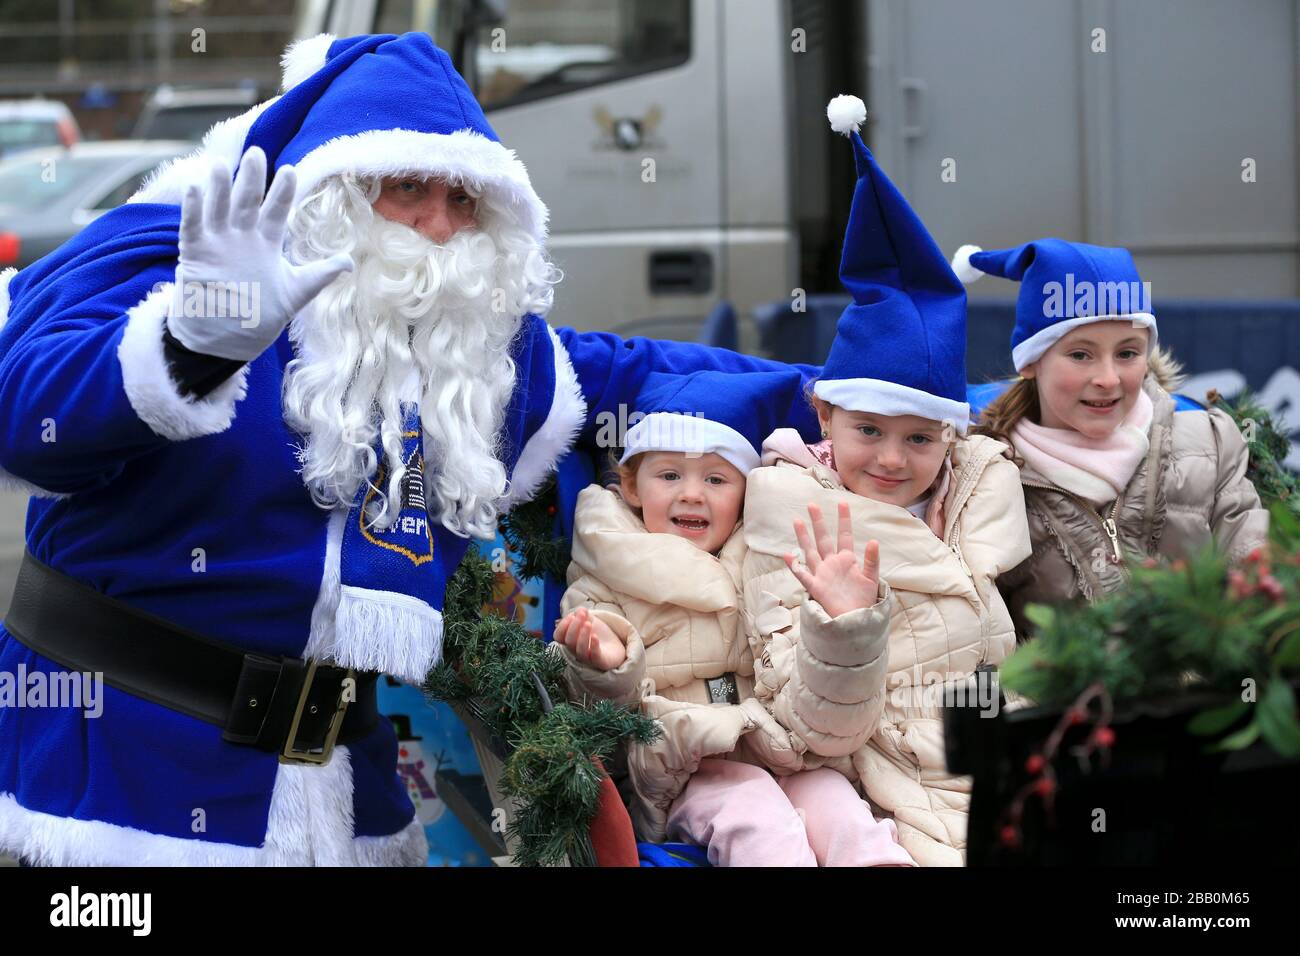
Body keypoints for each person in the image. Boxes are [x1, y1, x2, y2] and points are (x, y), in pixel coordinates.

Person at [0, 33, 816, 866]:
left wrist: (861, 397)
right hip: (120, 782)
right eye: (408, 188)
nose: (438, 227)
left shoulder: (473, 342)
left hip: (336, 785)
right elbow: (27, 412)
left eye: (464, 199)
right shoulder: (174, 249)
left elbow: (636, 371)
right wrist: (191, 342)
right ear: (330, 187)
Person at [739, 96, 1032, 866]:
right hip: (883, 774)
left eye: (919, 437)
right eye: (869, 431)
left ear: (953, 434)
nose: (893, 461)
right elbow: (804, 736)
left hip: (1002, 746)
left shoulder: (979, 490)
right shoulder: (790, 513)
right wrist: (844, 629)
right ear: (824, 414)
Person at [553, 369, 913, 866]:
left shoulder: (766, 554)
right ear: (632, 487)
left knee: (840, 805)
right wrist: (606, 666)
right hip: (686, 763)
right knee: (756, 815)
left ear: (746, 494)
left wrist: (837, 617)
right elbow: (599, 726)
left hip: (780, 744)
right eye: (670, 475)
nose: (692, 493)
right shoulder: (607, 565)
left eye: (716, 479)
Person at [956, 238, 1270, 638]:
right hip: (1060, 700)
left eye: (1127, 353)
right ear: (1032, 361)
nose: (1107, 378)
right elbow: (976, 637)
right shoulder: (983, 471)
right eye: (1081, 355)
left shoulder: (1210, 443)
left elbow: (1255, 574)